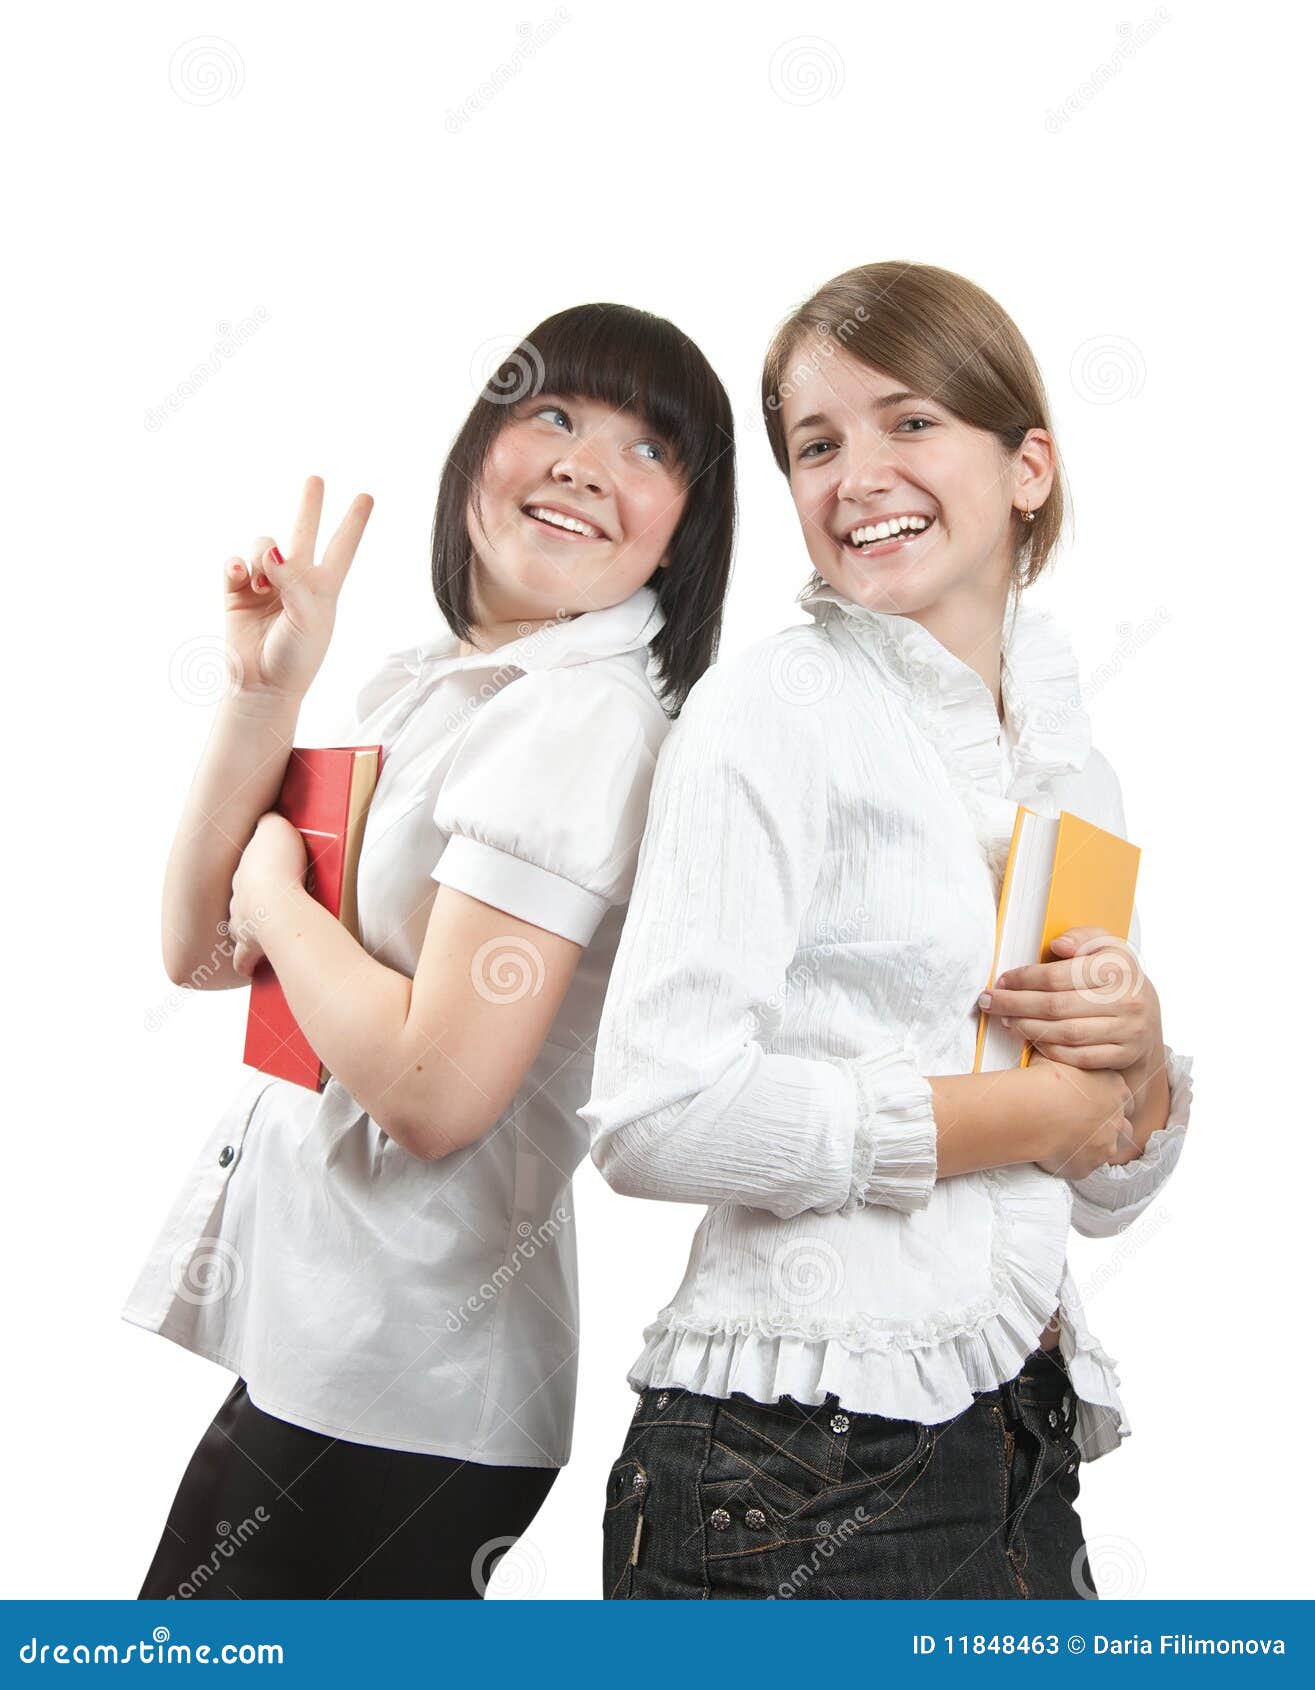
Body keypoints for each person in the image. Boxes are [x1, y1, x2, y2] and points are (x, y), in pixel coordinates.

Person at [583, 263, 1194, 1601]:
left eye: (910, 421)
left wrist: (1139, 1064)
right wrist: (1021, 1111)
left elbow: (1101, 1187)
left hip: (1021, 1447)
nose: (858, 476)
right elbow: (654, 1113)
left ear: (1028, 466)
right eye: (816, 445)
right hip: (791, 1469)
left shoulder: (1072, 769)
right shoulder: (771, 710)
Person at [123, 302, 735, 1598]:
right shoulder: (445, 686)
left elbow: (434, 1090)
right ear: (475, 457)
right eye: (555, 414)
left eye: (648, 449)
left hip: (404, 1380)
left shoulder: (577, 721)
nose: (584, 463)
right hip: (323, 1349)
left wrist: (279, 896)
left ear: (687, 531)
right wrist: (266, 690)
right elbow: (198, 947)